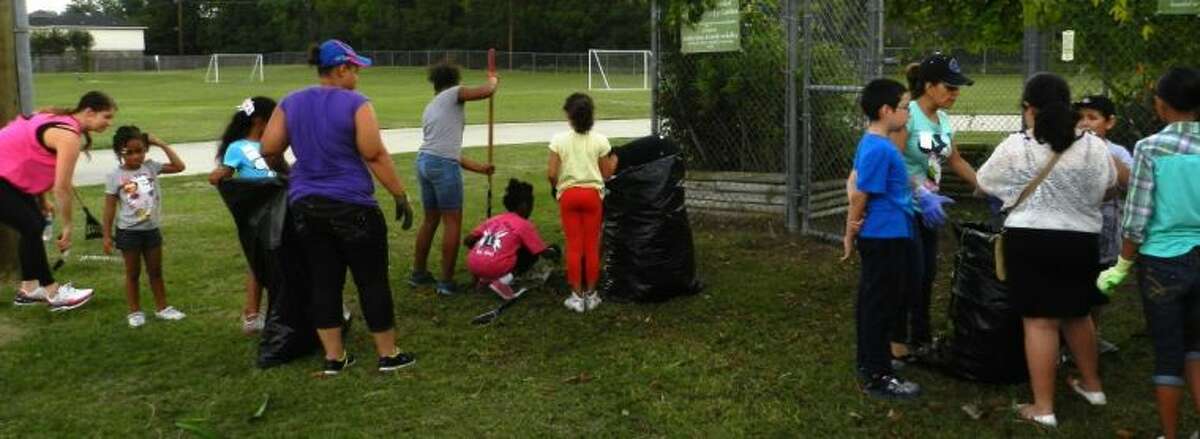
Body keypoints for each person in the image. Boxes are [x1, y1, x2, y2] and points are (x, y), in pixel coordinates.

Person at [260, 39, 417, 375]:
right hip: (353, 206)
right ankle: (388, 355)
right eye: (355, 69)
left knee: (324, 281)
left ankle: (334, 358)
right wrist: (400, 194)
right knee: (371, 280)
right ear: (341, 68)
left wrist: (292, 175)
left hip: (306, 206)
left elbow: (269, 148)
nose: (358, 76)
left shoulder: (291, 101)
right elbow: (373, 153)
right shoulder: (357, 104)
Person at [978, 73, 1116, 427]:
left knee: (1040, 323)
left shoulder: (1016, 146)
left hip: (1030, 240)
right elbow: (1110, 184)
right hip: (1081, 240)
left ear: (1028, 108)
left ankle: (1043, 407)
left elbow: (985, 182)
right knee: (1077, 312)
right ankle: (1092, 385)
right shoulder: (1093, 146)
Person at [1097, 67, 1200, 439]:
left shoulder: (1150, 149)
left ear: (1160, 104)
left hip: (1162, 265)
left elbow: (1137, 217)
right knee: (1197, 346)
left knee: (1168, 351)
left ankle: (1169, 435)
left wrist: (1122, 266)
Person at [888, 53, 977, 363]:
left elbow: (954, 159)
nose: (955, 93)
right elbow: (894, 161)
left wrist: (983, 186)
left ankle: (921, 337)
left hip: (929, 210)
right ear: (928, 85)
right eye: (949, 87)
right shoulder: (907, 114)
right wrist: (920, 194)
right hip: (904, 207)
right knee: (908, 274)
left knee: (927, 274)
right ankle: (896, 342)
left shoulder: (944, 119)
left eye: (957, 88)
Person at [842, 78, 921, 399]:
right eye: (904, 108)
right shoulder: (879, 149)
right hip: (884, 237)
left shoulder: (877, 144)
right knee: (879, 303)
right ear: (886, 110)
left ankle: (873, 358)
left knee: (878, 300)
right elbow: (859, 194)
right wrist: (850, 231)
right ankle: (878, 375)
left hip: (891, 233)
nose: (908, 114)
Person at [1, 91, 115, 311]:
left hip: (8, 177)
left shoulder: (56, 119)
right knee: (32, 226)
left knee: (33, 225)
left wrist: (41, 200)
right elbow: (61, 188)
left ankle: (30, 290)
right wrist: (67, 226)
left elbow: (29, 158)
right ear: (89, 112)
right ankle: (53, 292)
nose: (108, 123)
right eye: (106, 116)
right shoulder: (68, 136)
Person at [409, 61, 498, 296]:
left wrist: (480, 168)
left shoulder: (431, 107)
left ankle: (418, 273)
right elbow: (487, 91)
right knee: (452, 222)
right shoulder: (453, 94)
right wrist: (492, 79)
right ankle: (446, 282)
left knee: (430, 220)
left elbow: (446, 150)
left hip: (425, 162)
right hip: (441, 165)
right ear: (455, 81)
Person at [208, 96, 288, 334]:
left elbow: (282, 173)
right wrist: (219, 175)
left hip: (278, 212)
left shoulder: (271, 147)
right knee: (257, 264)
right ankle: (251, 315)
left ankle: (280, 310)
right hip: (256, 216)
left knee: (279, 262)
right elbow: (227, 171)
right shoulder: (238, 147)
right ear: (260, 120)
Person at [102, 126, 187, 328]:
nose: (135, 156)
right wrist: (106, 235)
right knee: (133, 274)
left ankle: (163, 308)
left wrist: (161, 143)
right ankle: (134, 312)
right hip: (128, 232)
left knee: (156, 272)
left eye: (140, 150)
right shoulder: (115, 176)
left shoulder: (150, 167)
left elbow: (179, 166)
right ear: (119, 153)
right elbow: (109, 207)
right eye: (129, 152)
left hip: (151, 230)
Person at [1074, 94, 1133, 354]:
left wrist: (1101, 150)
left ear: (1109, 123)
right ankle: (1071, 340)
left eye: (1092, 118)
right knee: (1075, 282)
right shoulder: (1070, 147)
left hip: (1106, 231)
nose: (1085, 123)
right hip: (1076, 227)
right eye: (1080, 118)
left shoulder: (1117, 151)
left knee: (1099, 285)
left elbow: (1129, 181)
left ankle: (1092, 336)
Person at [547, 93, 616, 313]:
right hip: (592, 196)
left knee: (574, 246)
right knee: (591, 245)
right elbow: (606, 174)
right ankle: (591, 294)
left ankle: (576, 296)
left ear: (569, 115)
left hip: (569, 195)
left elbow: (551, 173)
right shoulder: (600, 141)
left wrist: (558, 185)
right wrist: (614, 161)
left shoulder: (559, 140)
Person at [464, 179, 560, 300]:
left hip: (473, 264)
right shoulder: (524, 224)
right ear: (524, 205)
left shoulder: (494, 219)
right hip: (496, 267)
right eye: (531, 204)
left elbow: (468, 240)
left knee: (505, 249)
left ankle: (482, 280)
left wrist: (482, 250)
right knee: (529, 254)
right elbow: (541, 252)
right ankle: (503, 281)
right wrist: (554, 252)